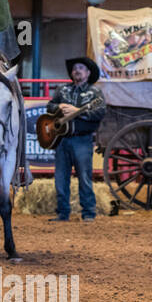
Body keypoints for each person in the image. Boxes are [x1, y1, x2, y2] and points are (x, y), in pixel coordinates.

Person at [46, 56, 106, 222]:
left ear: (87, 73)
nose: (77, 70)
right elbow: (49, 106)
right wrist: (58, 106)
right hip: (62, 140)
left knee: (85, 177)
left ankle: (88, 213)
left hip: (82, 140)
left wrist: (77, 110)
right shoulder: (62, 90)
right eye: (74, 68)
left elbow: (100, 112)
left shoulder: (95, 93)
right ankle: (62, 213)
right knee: (60, 178)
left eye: (81, 68)